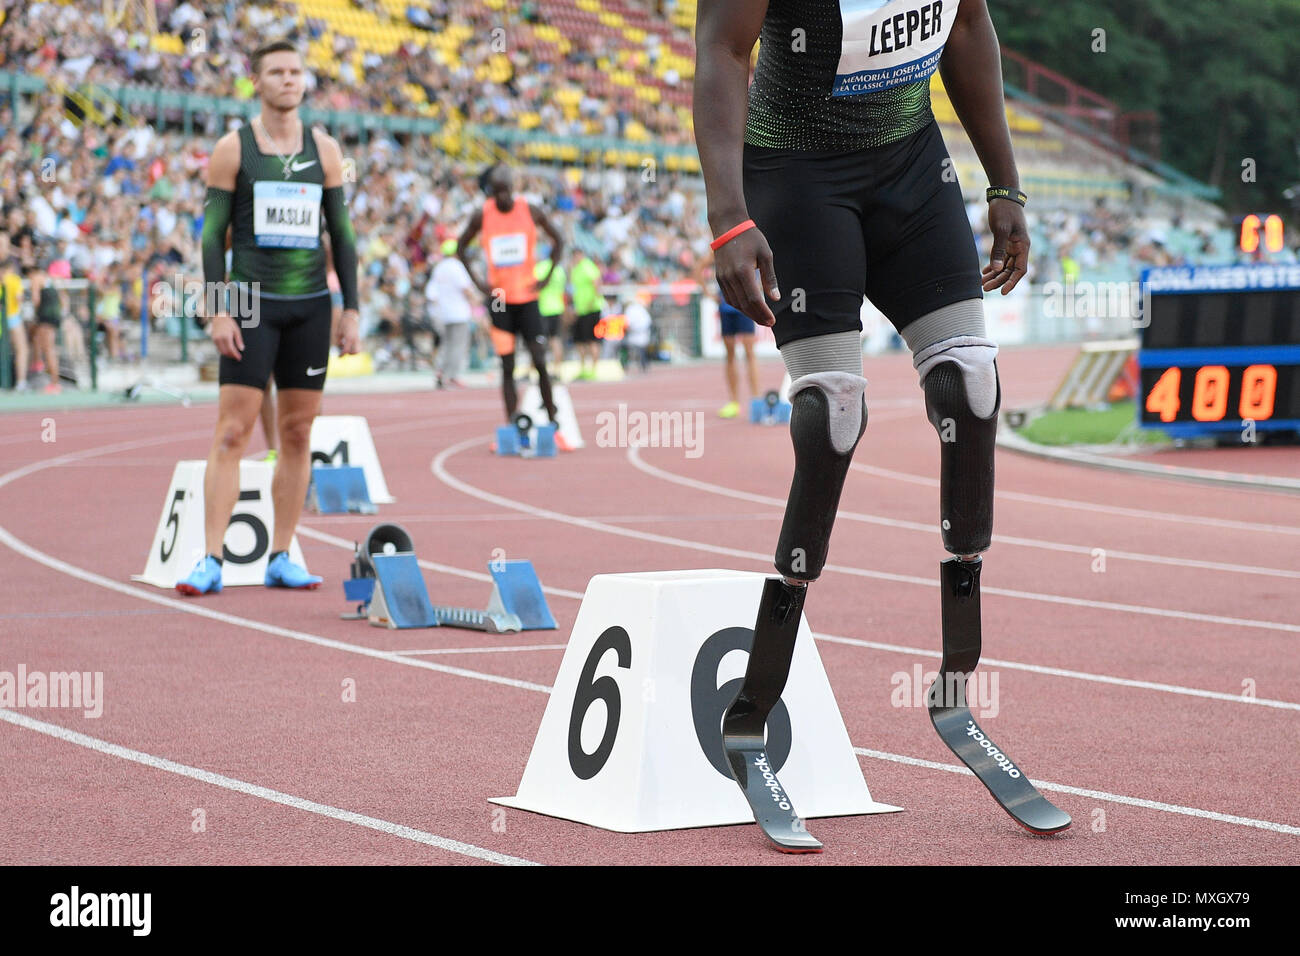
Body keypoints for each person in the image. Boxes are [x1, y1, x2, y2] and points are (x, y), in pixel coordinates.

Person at [695, 0, 1068, 847]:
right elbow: (719, 48)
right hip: (796, 174)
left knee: (972, 388)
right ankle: (753, 705)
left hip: (910, 166)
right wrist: (728, 214)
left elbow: (968, 27)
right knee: (832, 417)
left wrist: (1004, 183)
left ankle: (954, 688)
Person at [177, 39, 361, 596]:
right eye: (276, 72)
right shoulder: (232, 149)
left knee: (299, 432)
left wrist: (350, 308)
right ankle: (211, 559)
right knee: (232, 430)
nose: (289, 79)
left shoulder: (325, 150)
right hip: (251, 300)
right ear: (256, 82)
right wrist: (217, 308)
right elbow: (211, 237)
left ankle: (281, 554)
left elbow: (343, 237)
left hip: (309, 305)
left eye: (296, 71)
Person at [456, 165, 562, 422]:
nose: (501, 197)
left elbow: (559, 240)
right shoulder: (482, 215)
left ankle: (551, 413)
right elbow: (460, 248)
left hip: (527, 297)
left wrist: (546, 277)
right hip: (501, 298)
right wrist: (480, 283)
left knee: (539, 358)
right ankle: (512, 419)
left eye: (505, 191)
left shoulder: (530, 211)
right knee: (507, 365)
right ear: (491, 192)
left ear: (513, 189)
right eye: (496, 192)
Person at [427, 238, 475, 388]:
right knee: (458, 345)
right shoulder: (457, 266)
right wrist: (476, 301)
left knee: (447, 344)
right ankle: (452, 375)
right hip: (459, 312)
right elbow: (465, 288)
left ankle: (441, 371)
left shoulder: (439, 267)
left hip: (443, 312)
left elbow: (431, 293)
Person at [568, 249, 605, 381]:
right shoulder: (576, 269)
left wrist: (591, 302)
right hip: (581, 310)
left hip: (591, 308)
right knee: (579, 340)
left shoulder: (587, 266)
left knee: (591, 339)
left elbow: (596, 283)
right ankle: (583, 368)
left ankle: (594, 369)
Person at [29, 265, 63, 394]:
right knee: (38, 339)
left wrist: (36, 314)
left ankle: (54, 383)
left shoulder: (35, 278)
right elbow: (62, 299)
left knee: (49, 349)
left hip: (45, 316)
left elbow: (35, 299)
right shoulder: (50, 278)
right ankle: (38, 362)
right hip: (54, 316)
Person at [1, 253, 29, 390]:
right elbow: (19, 297)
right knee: (21, 349)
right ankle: (21, 381)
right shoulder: (14, 280)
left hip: (2, 320)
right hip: (13, 318)